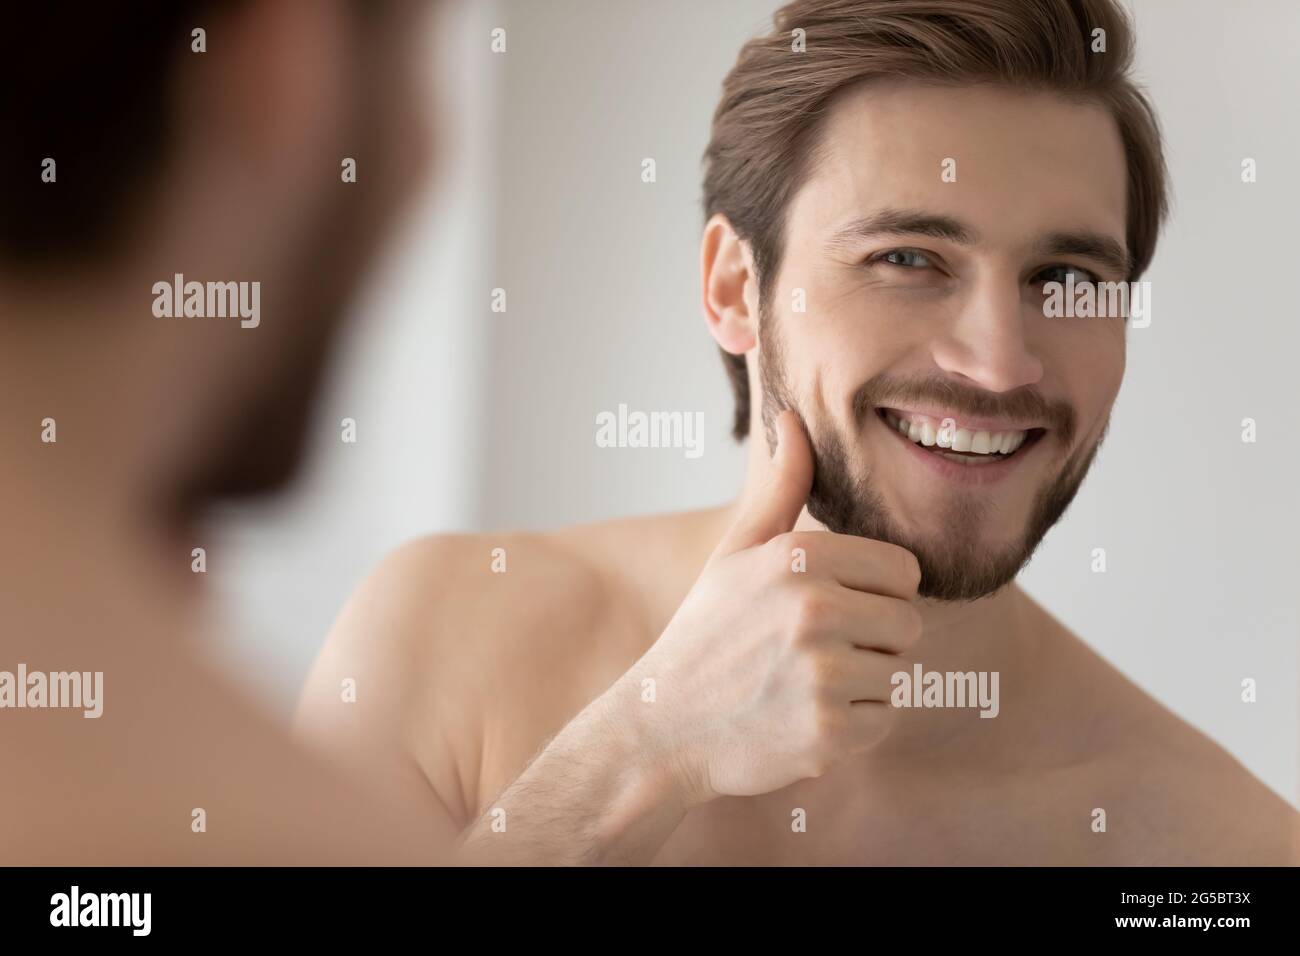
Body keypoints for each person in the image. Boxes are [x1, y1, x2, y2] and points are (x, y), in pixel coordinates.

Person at [297, 0, 1298, 864]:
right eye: (908, 256)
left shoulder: (1217, 847)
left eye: (1066, 279)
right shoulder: (441, 641)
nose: (998, 363)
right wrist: (643, 749)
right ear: (735, 287)